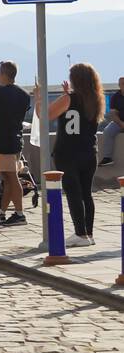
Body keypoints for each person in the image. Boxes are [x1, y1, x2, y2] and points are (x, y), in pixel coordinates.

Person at [34, 64, 103, 246]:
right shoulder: (96, 100)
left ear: (75, 79)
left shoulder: (68, 99)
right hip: (89, 152)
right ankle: (88, 233)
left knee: (73, 193)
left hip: (68, 152)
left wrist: (38, 99)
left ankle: (80, 233)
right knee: (86, 193)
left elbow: (45, 115)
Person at [0, 61, 31, 226]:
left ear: (4, 74)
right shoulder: (24, 94)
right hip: (16, 139)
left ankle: (19, 214)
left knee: (12, 177)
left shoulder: (0, 93)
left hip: (3, 140)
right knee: (7, 178)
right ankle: (2, 213)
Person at [101, 76, 123, 167]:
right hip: (119, 122)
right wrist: (121, 124)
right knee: (107, 131)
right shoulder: (115, 97)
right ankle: (107, 158)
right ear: (119, 85)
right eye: (122, 84)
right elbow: (113, 114)